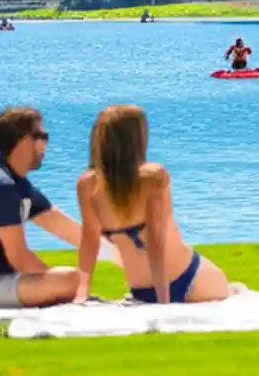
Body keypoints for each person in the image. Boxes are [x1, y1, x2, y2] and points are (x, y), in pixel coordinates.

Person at [0, 107, 119, 309]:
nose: (45, 144)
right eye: (41, 136)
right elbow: (19, 257)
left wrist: (121, 257)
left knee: (71, 280)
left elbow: (68, 229)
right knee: (72, 279)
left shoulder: (19, 186)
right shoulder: (0, 186)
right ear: (23, 141)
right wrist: (58, 286)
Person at [74, 105, 239, 304]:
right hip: (147, 290)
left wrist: (163, 300)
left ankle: (235, 290)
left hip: (194, 278)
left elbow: (156, 239)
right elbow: (89, 240)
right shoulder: (88, 185)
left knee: (231, 294)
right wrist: (81, 292)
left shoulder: (151, 177)